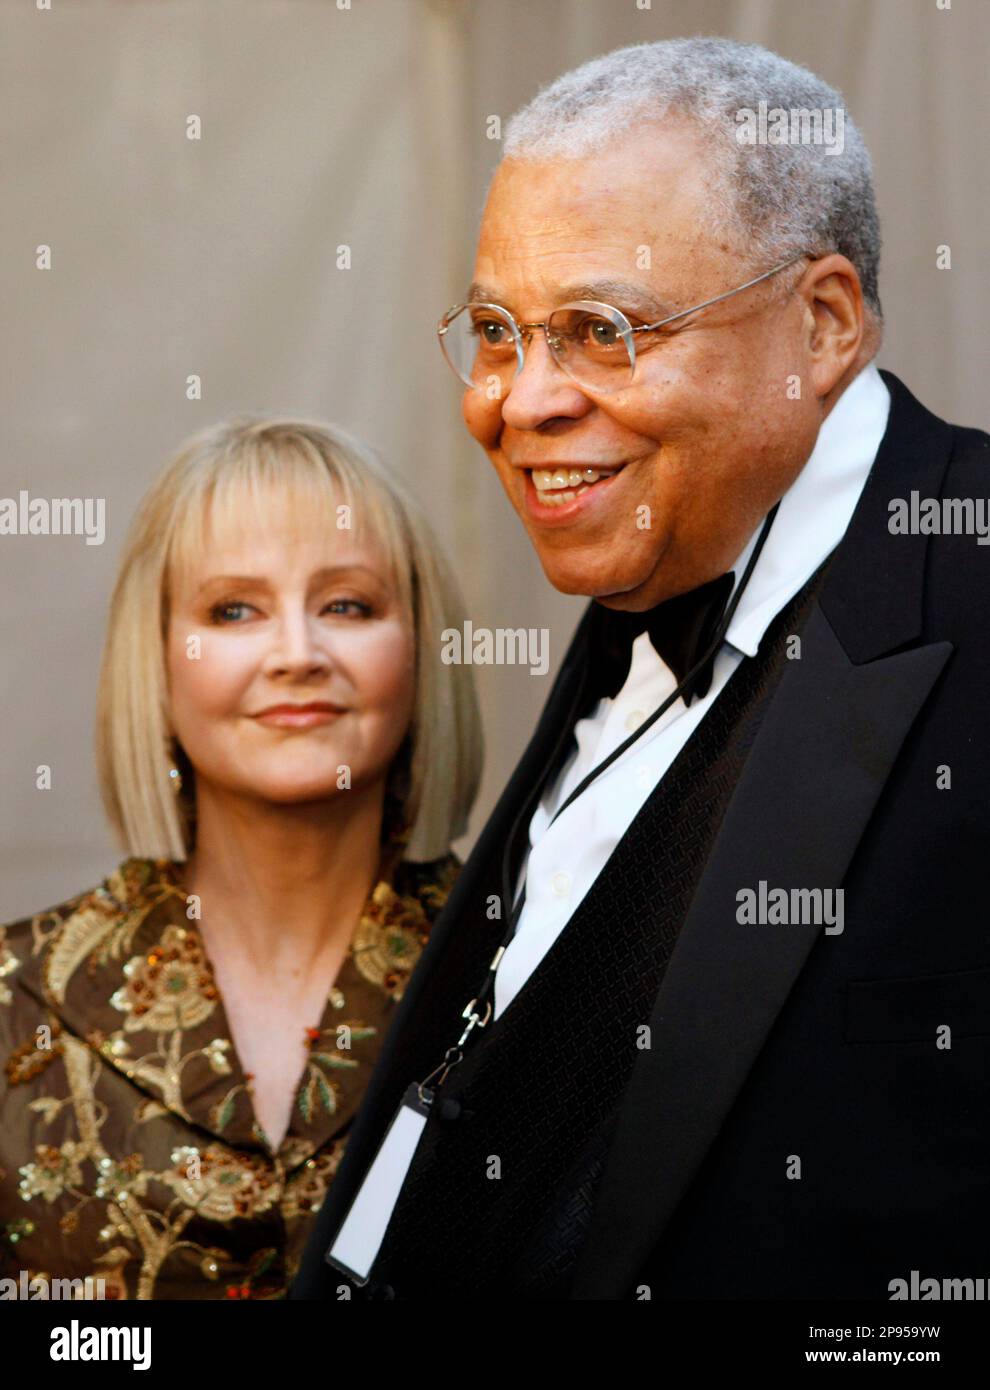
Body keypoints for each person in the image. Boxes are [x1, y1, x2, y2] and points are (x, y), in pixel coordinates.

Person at [293, 37, 990, 1301]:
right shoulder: (657, 541)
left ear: (821, 324)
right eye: (498, 331)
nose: (519, 402)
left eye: (602, 330)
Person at [0, 417, 481, 1299]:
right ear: (156, 662)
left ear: (421, 651)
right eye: (234, 610)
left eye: (347, 605)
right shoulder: (12, 1000)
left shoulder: (524, 978)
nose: (297, 654)